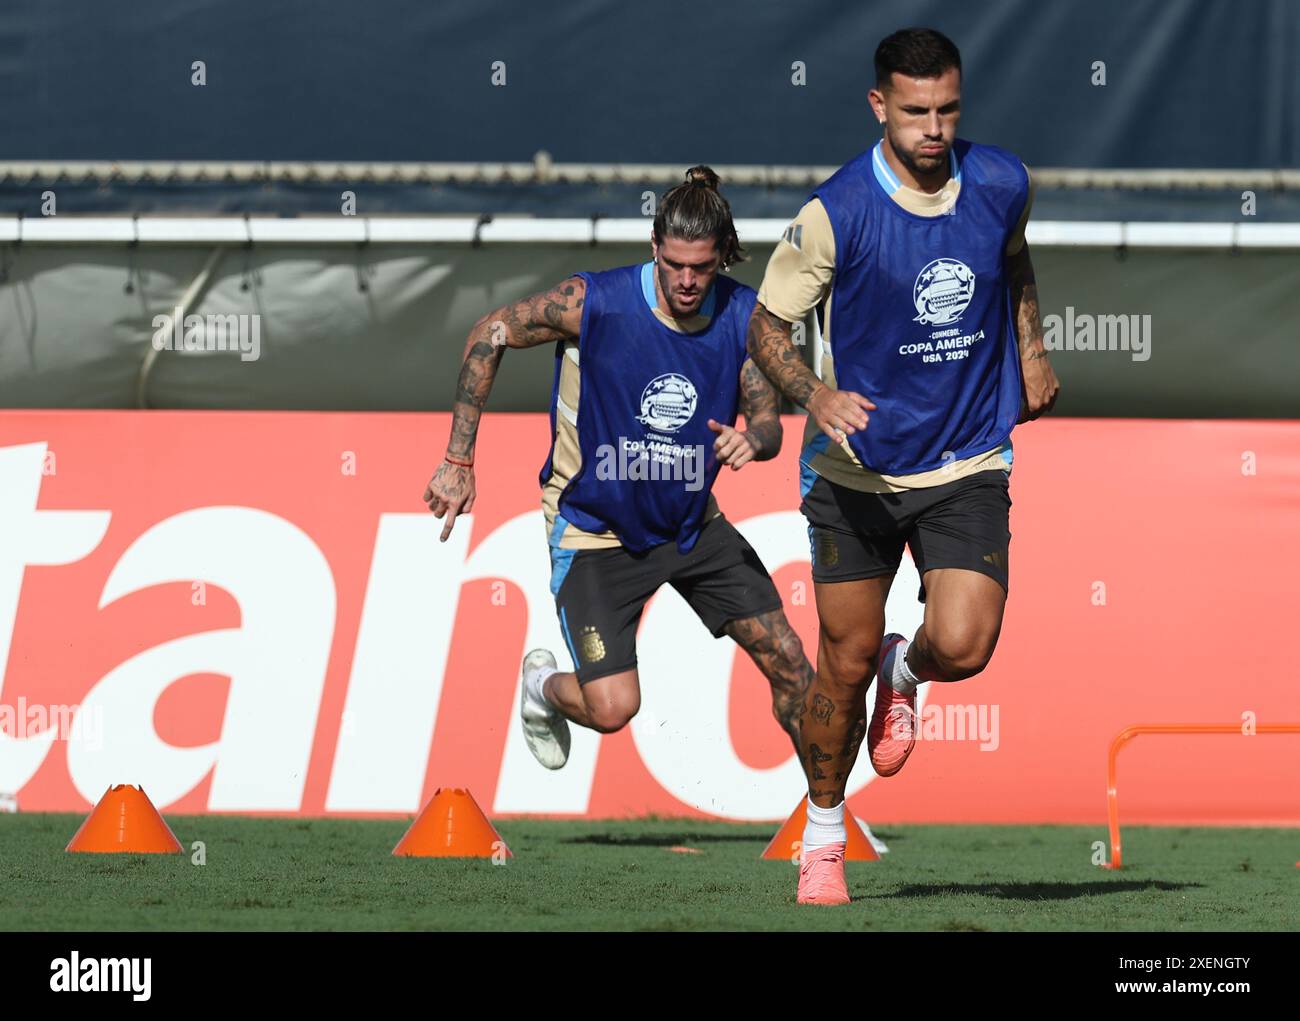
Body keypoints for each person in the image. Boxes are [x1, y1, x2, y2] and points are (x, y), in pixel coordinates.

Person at [425, 169, 849, 903]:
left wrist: (758, 437)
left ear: (723, 257)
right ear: (654, 248)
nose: (688, 282)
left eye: (702, 267)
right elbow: (489, 332)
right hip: (595, 529)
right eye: (674, 265)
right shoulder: (597, 302)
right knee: (614, 708)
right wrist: (459, 458)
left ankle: (825, 832)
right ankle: (542, 685)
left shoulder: (745, 317)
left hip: (691, 527)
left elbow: (771, 416)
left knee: (791, 663)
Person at [746, 27, 1061, 901]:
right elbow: (766, 327)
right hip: (856, 476)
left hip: (966, 457)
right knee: (840, 666)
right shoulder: (835, 212)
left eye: (948, 109)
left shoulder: (1001, 181)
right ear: (880, 106)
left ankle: (909, 670)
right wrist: (814, 394)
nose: (935, 128)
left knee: (966, 641)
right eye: (916, 111)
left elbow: (1013, 258)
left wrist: (1030, 348)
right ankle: (822, 830)